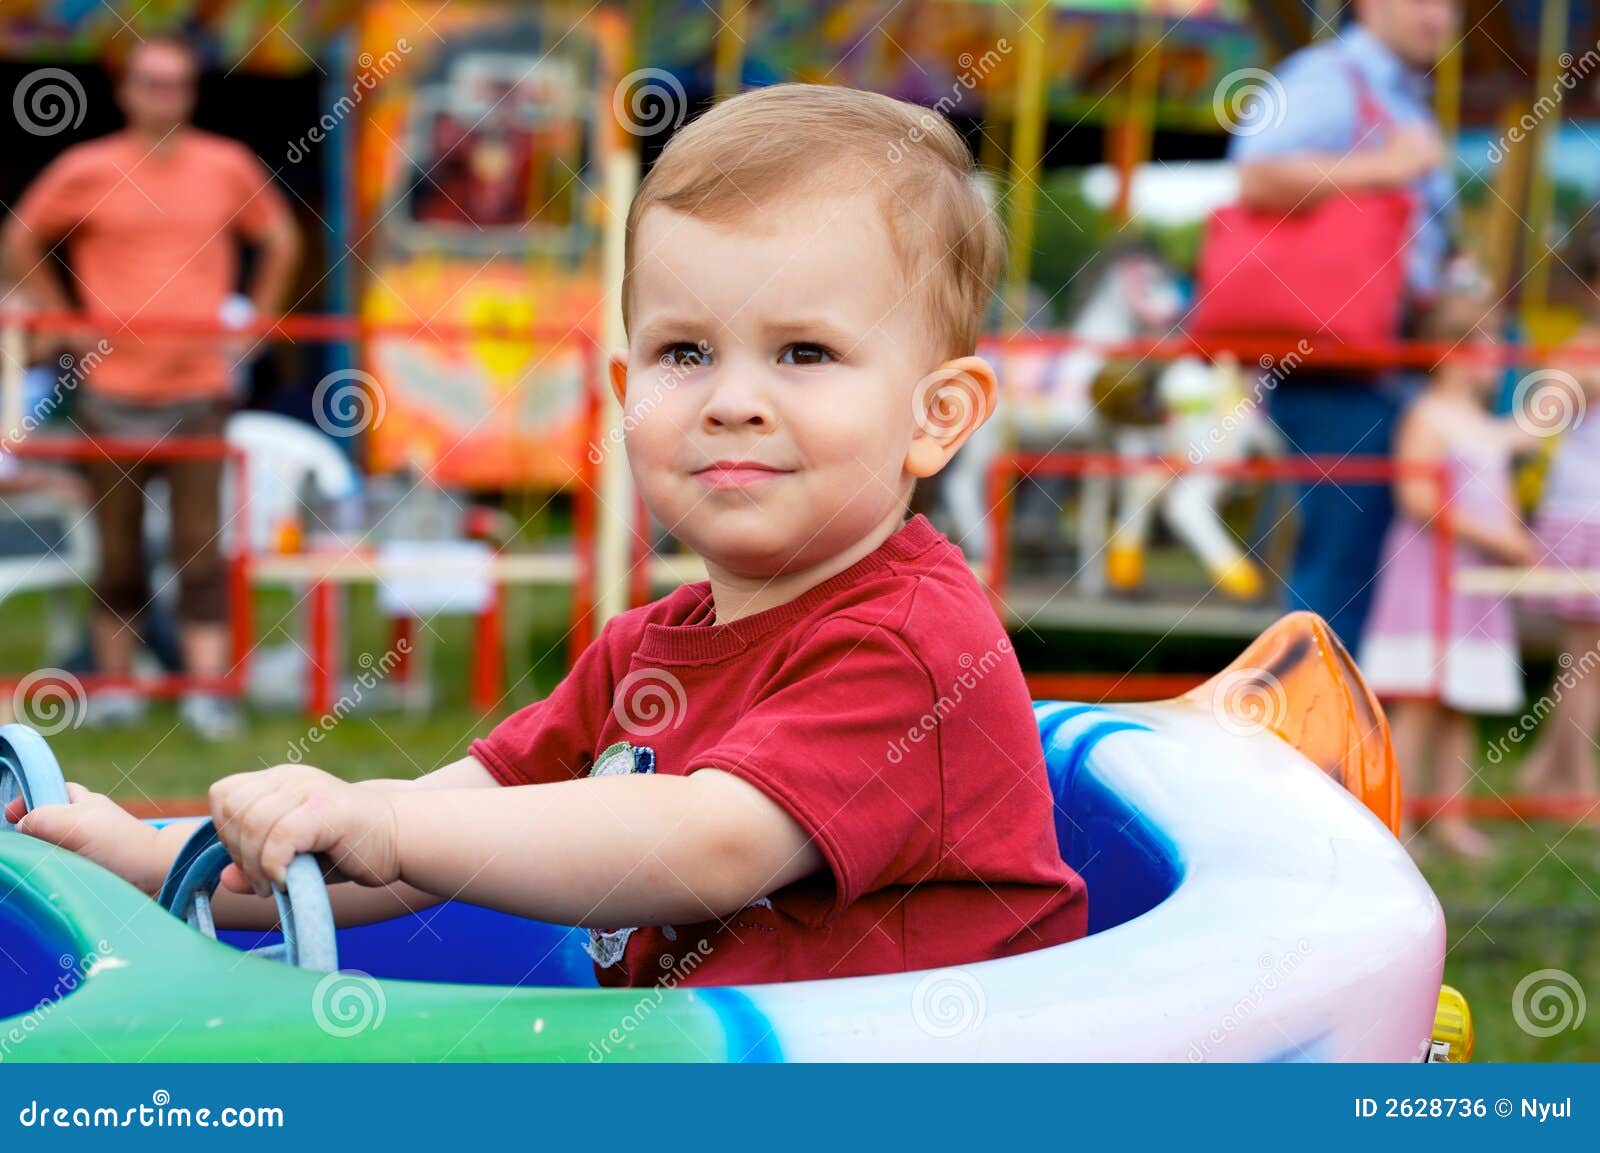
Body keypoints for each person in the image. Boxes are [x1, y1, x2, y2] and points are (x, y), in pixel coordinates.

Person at [11, 85, 1089, 988]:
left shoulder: (909, 641)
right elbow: (437, 827)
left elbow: (707, 843)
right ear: (625, 388)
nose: (732, 401)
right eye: (684, 353)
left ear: (937, 415)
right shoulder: (644, 652)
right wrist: (162, 859)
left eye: (804, 352)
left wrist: (389, 826)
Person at [1, 34, 300, 739]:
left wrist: (255, 324)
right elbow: (20, 237)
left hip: (199, 389)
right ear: (126, 89)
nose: (164, 96)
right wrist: (63, 320)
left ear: (191, 91)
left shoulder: (226, 164)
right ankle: (116, 688)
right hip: (112, 390)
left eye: (177, 83)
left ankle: (208, 693)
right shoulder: (86, 167)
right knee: (118, 551)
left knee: (201, 547)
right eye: (151, 82)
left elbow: (282, 238)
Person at [1229, 0, 1458, 648]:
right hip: (1335, 363)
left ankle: (1321, 705)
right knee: (1338, 571)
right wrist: (1388, 169)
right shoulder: (1330, 77)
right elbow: (1257, 171)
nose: (1440, 18)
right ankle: (1303, 711)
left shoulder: (1400, 94)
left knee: (1356, 565)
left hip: (1381, 360)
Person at [1358, 292, 1539, 859]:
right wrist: (1494, 537)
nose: (1499, 360)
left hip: (1472, 584)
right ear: (1455, 352)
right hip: (1428, 579)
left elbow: (1503, 484)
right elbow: (1416, 499)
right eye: (1490, 347)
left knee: (1461, 701)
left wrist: (1515, 539)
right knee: (1419, 700)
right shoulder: (1428, 417)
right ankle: (1396, 820)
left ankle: (1451, 818)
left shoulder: (1483, 424)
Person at [1517, 227, 1600, 800]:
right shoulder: (1581, 352)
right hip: (1585, 514)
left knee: (1584, 659)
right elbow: (1538, 419)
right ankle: (1576, 787)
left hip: (1582, 511)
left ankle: (1546, 773)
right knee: (1584, 660)